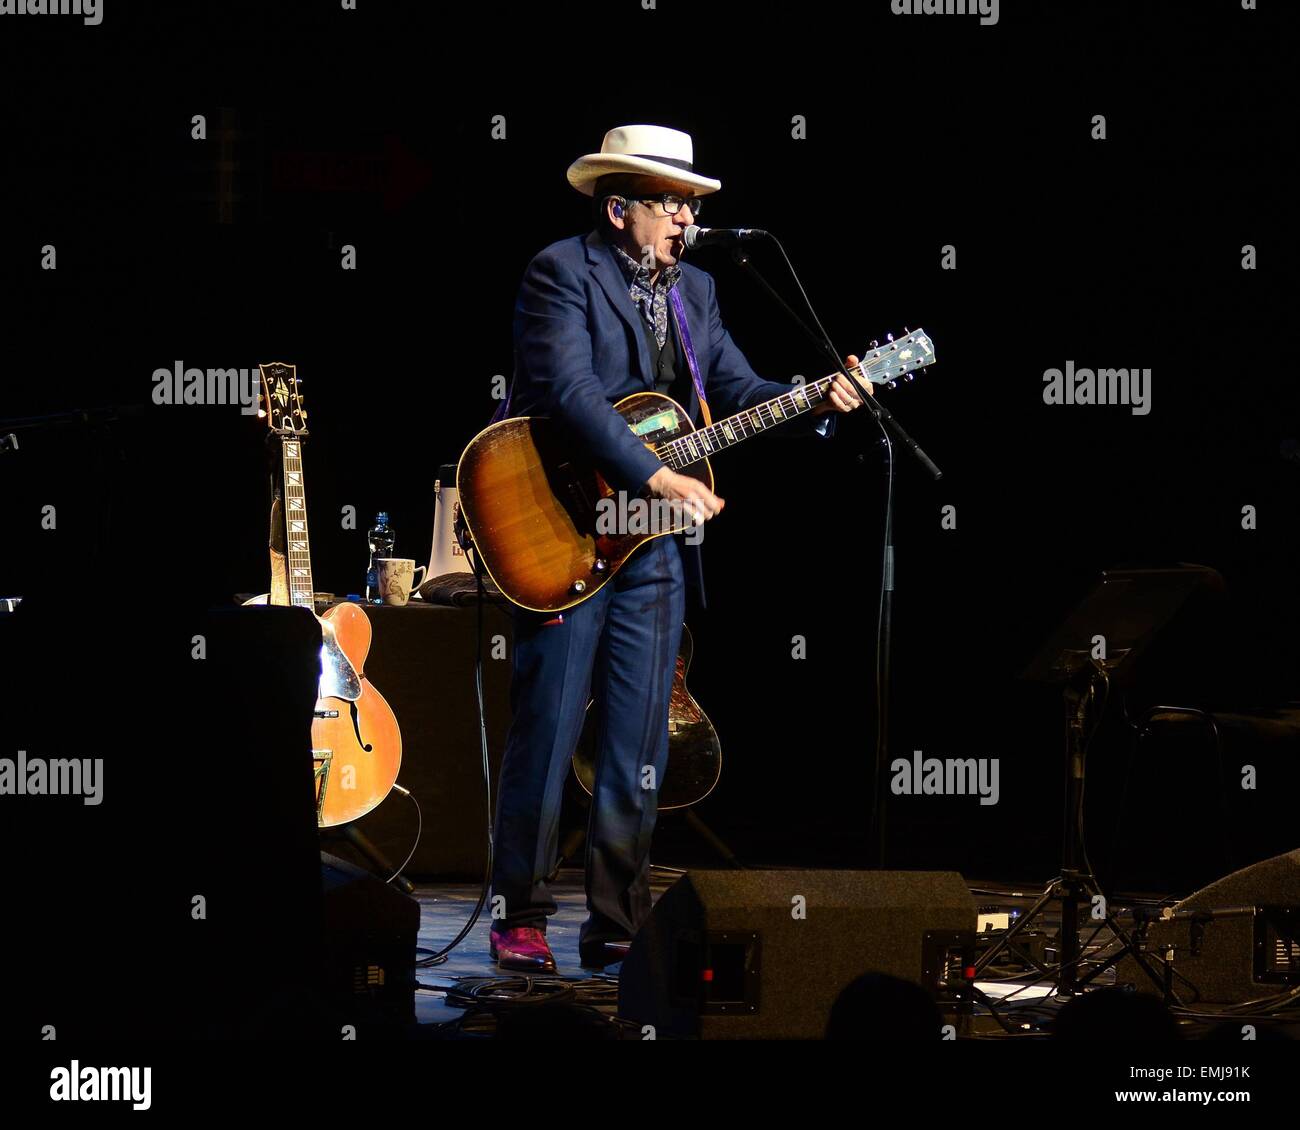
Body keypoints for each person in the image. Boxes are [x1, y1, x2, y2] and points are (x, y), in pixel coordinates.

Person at [489, 125, 869, 972]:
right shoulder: (560, 271)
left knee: (638, 744)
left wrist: (814, 400)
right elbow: (571, 394)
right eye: (673, 202)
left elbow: (732, 389)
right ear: (619, 207)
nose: (688, 218)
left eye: (693, 204)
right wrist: (655, 478)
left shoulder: (694, 292)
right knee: (548, 729)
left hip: (652, 549)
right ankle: (520, 914)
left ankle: (617, 924)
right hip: (562, 527)